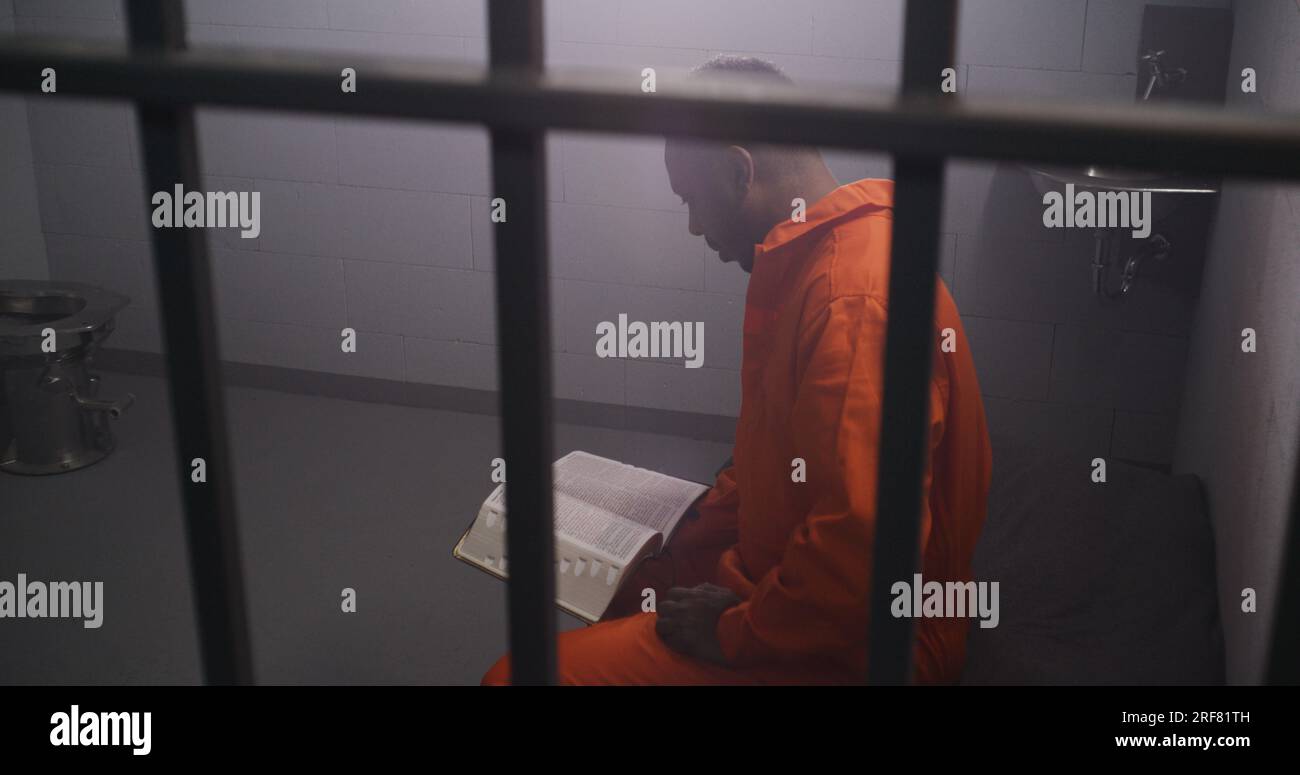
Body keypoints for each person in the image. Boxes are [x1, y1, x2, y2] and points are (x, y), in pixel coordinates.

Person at [483, 55, 992, 685]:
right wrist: (682, 536)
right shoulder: (815, 262)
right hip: (800, 588)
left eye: (692, 200)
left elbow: (864, 557)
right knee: (623, 584)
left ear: (738, 170)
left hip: (870, 643)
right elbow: (777, 467)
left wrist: (734, 631)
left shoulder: (853, 302)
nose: (695, 226)